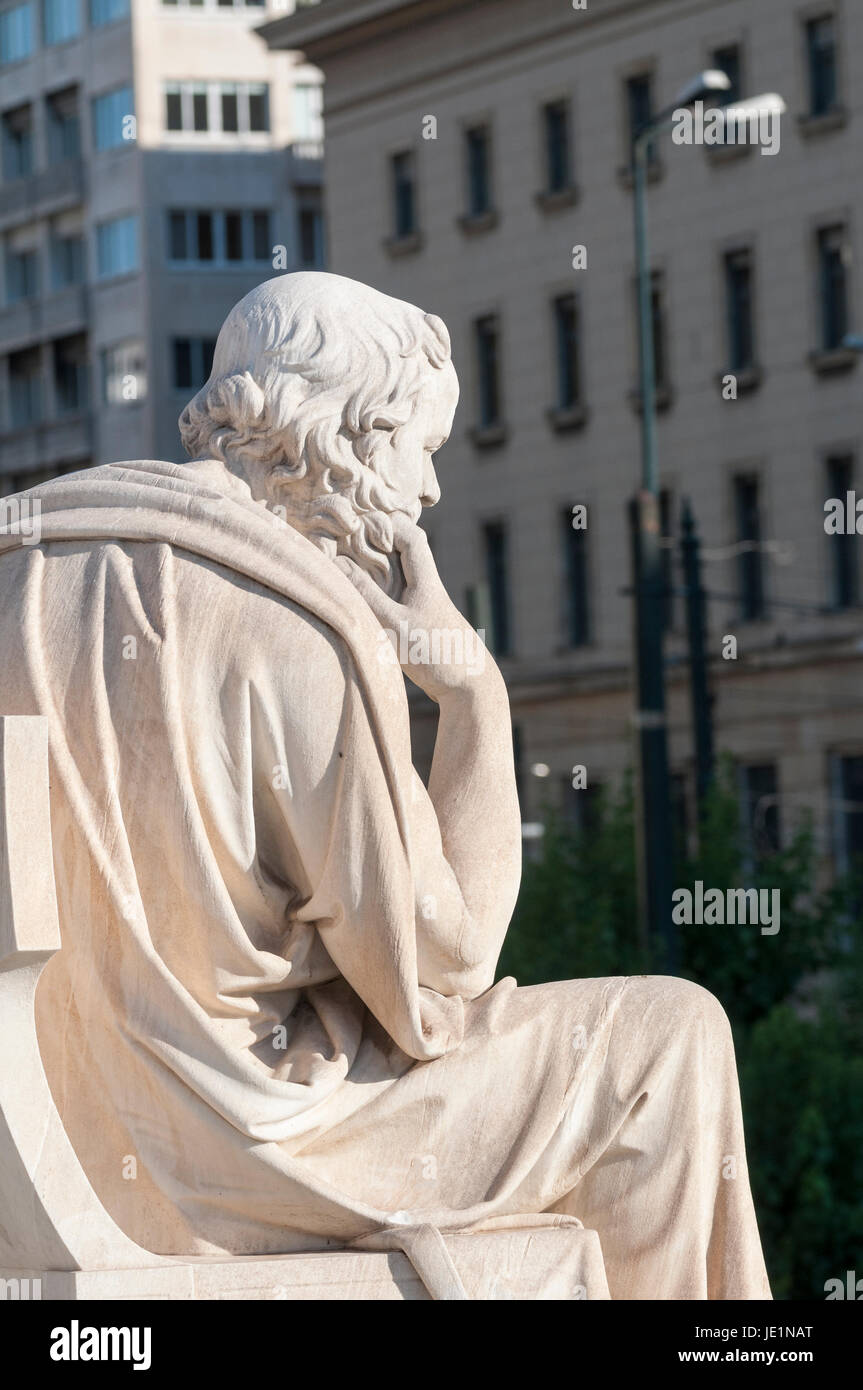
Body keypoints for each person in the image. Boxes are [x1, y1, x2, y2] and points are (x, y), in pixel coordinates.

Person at [0, 273, 770, 1298]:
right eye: (421, 445)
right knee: (668, 1041)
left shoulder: (25, 567)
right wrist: (472, 696)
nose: (432, 491)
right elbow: (437, 984)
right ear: (354, 438)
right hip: (265, 1146)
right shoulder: (299, 623)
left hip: (74, 1142)